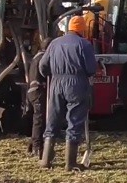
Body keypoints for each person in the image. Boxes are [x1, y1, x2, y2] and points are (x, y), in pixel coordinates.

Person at [38, 15, 98, 170]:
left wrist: (50, 75)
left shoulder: (54, 43)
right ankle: (70, 163)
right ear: (82, 29)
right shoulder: (84, 44)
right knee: (75, 121)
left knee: (52, 119)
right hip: (76, 84)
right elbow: (91, 69)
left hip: (56, 83)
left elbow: (43, 66)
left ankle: (45, 160)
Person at [26, 37, 52, 158]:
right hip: (38, 91)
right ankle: (38, 148)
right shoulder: (43, 58)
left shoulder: (36, 57)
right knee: (39, 120)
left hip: (32, 91)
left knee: (37, 119)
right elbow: (45, 72)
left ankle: (32, 145)